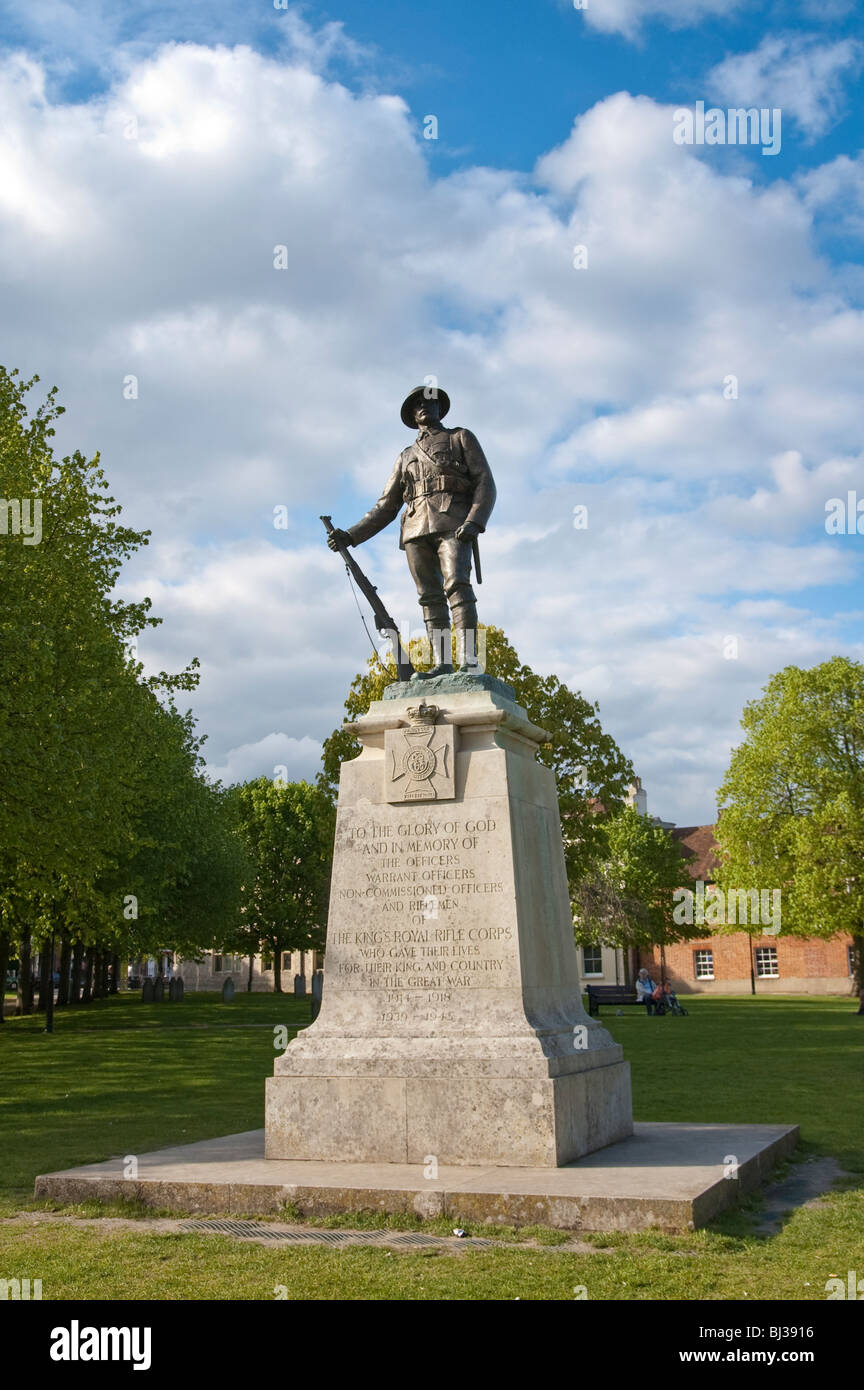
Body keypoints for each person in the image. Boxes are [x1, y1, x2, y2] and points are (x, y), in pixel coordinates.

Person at [326, 386, 496, 676]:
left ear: (440, 408)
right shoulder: (405, 456)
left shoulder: (460, 438)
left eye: (429, 402)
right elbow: (386, 506)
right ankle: (443, 665)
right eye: (417, 404)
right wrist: (351, 535)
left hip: (453, 524)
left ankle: (470, 663)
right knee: (429, 597)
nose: (423, 407)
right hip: (415, 530)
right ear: (411, 415)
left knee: (457, 586)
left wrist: (474, 521)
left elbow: (485, 482)